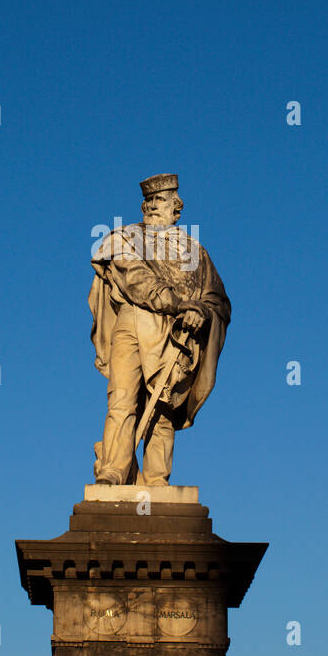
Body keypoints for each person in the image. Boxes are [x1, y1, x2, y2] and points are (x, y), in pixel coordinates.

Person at [88, 174, 231, 486]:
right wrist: (179, 305)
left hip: (175, 333)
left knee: (164, 404)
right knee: (123, 398)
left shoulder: (195, 251)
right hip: (134, 321)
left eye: (161, 200)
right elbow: (135, 277)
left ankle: (156, 480)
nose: (152, 205)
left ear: (176, 209)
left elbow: (217, 299)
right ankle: (113, 470)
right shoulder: (123, 238)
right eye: (149, 200)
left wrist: (202, 313)